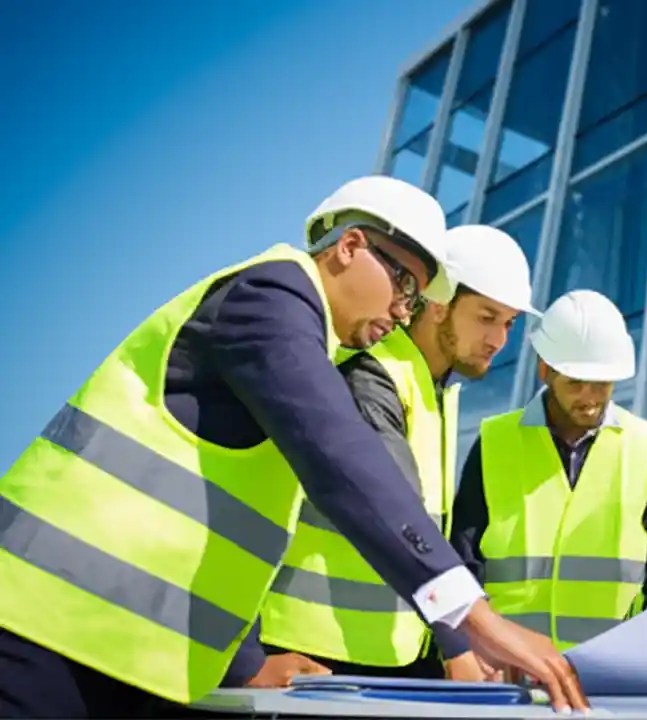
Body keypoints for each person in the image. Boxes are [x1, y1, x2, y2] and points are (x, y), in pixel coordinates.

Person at [0, 175, 586, 718]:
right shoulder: (270, 295)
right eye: (404, 284)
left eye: (413, 299)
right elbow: (341, 459)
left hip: (127, 647)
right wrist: (472, 615)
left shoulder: (319, 352)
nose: (402, 310)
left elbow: (213, 522)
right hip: (41, 624)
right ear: (349, 246)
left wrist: (246, 661)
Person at [254, 224, 539, 684]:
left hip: (379, 651)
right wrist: (456, 642)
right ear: (440, 305)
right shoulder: (374, 376)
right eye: (487, 317)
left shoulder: (433, 389)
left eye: (508, 323)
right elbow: (398, 517)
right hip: (312, 650)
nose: (500, 340)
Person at [451, 290, 647, 651]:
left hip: (611, 676)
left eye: (601, 383)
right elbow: (462, 558)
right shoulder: (493, 442)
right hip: (510, 671)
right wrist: (473, 646)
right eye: (576, 383)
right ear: (546, 371)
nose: (590, 397)